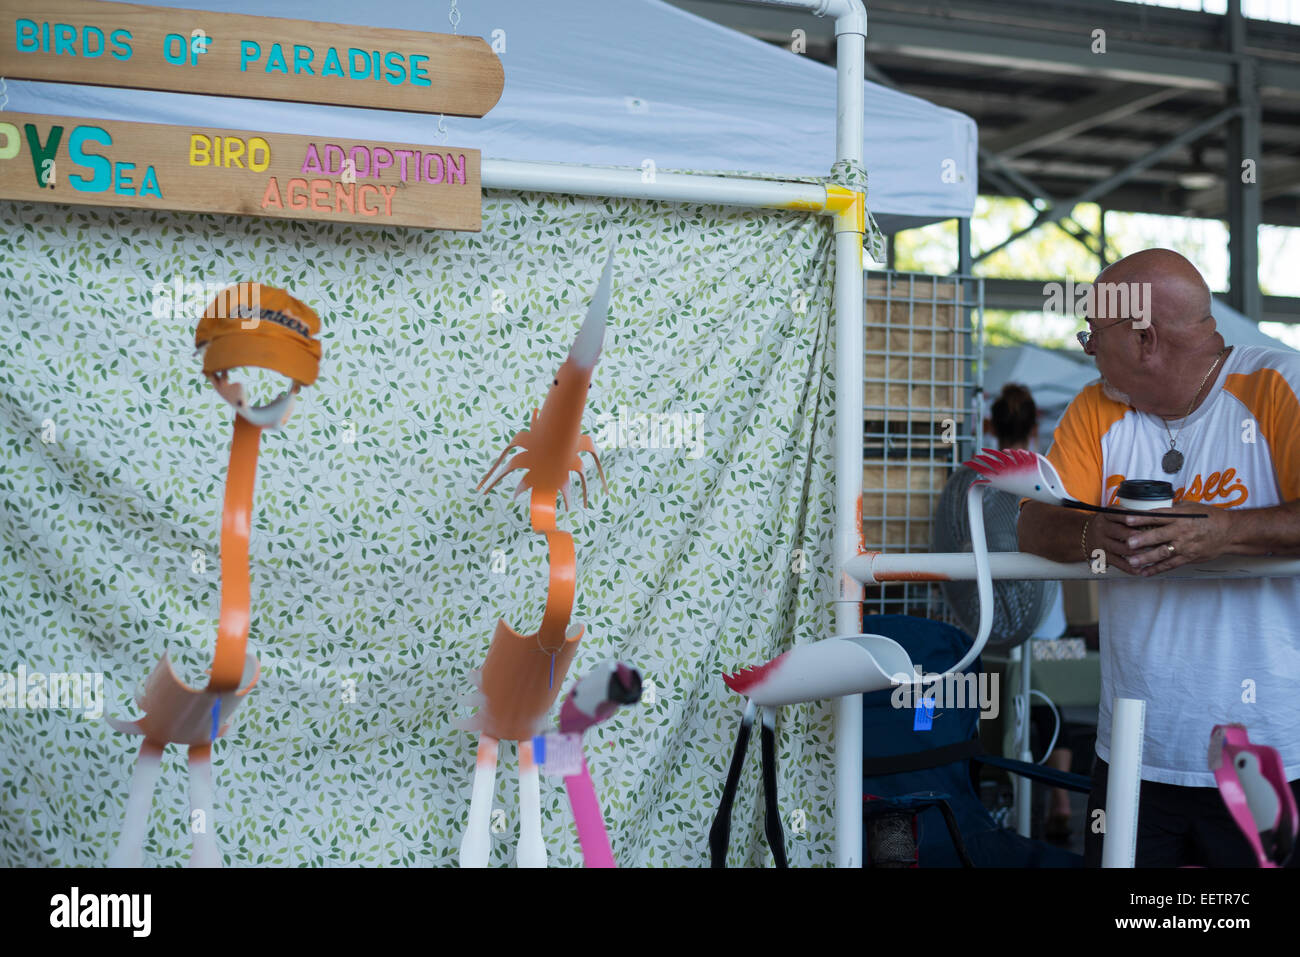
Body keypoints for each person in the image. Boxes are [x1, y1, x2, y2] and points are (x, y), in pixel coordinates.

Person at [1017, 248, 1300, 867]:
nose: (1087, 349)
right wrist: (1096, 535)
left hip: (1270, 749)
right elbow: (1033, 521)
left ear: (1143, 338)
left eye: (1092, 334)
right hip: (1135, 752)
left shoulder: (1282, 385)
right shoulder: (1098, 406)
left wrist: (1224, 532)